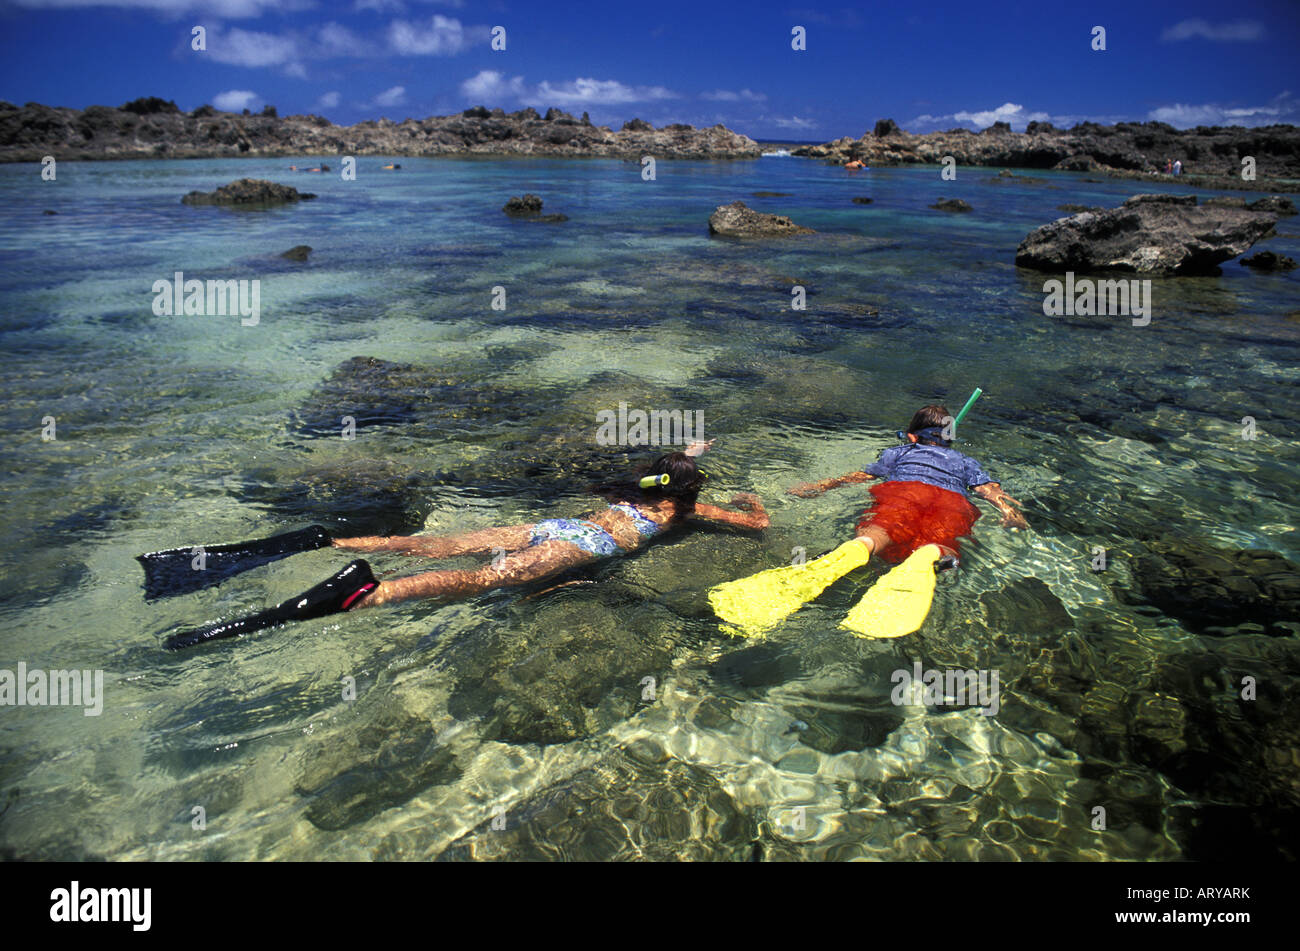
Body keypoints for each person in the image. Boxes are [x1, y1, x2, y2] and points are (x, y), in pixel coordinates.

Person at [160, 442, 769, 648]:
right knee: (482, 580)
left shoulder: (636, 489)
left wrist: (688, 456)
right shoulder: (686, 509)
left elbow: (670, 468)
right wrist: (751, 505)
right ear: (689, 491)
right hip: (573, 548)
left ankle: (322, 541)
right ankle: (370, 593)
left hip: (550, 528)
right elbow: (759, 526)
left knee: (430, 543)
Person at [787, 404, 1026, 564]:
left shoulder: (900, 452)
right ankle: (931, 556)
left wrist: (822, 486)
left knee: (881, 528)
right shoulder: (965, 461)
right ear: (949, 439)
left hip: (905, 491)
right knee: (943, 540)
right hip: (951, 500)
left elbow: (862, 476)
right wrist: (1009, 511)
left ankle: (863, 545)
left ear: (912, 436)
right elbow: (988, 490)